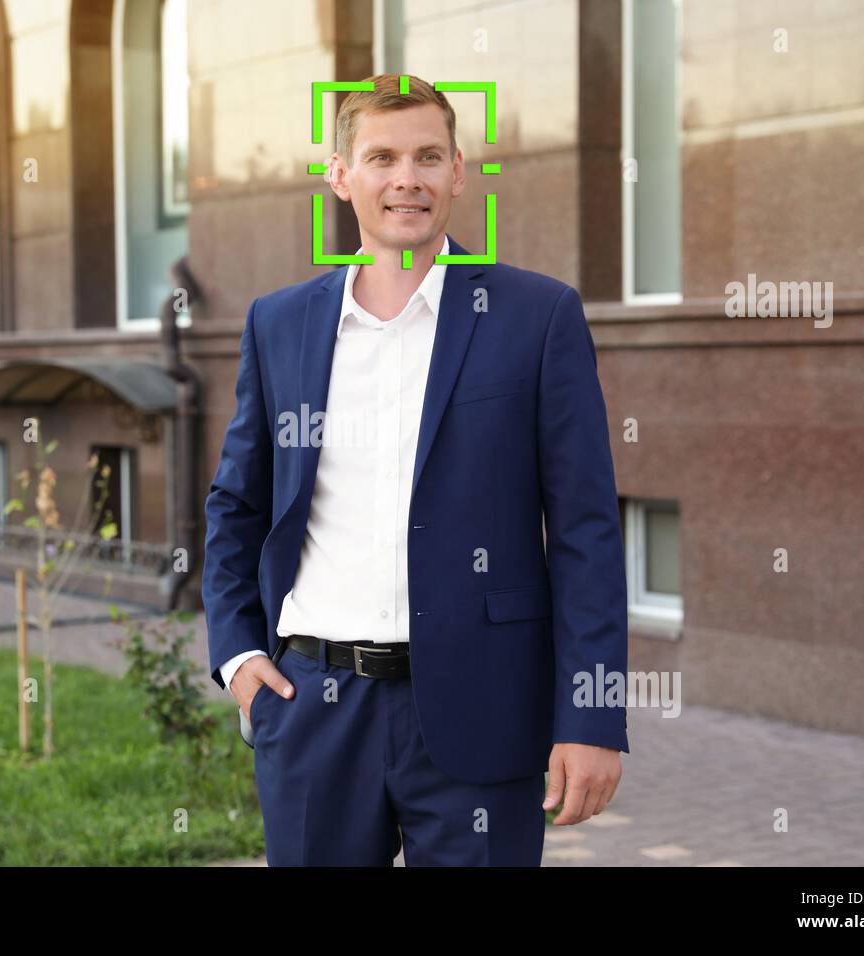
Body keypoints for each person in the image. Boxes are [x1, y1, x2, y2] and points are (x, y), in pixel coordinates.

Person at [202, 73, 628, 866]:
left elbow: (587, 533)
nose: (408, 179)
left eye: (429, 156)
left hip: (485, 709)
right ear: (341, 175)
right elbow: (238, 505)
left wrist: (591, 716)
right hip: (313, 709)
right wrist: (237, 655)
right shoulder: (280, 323)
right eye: (382, 157)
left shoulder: (538, 317)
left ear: (459, 172)